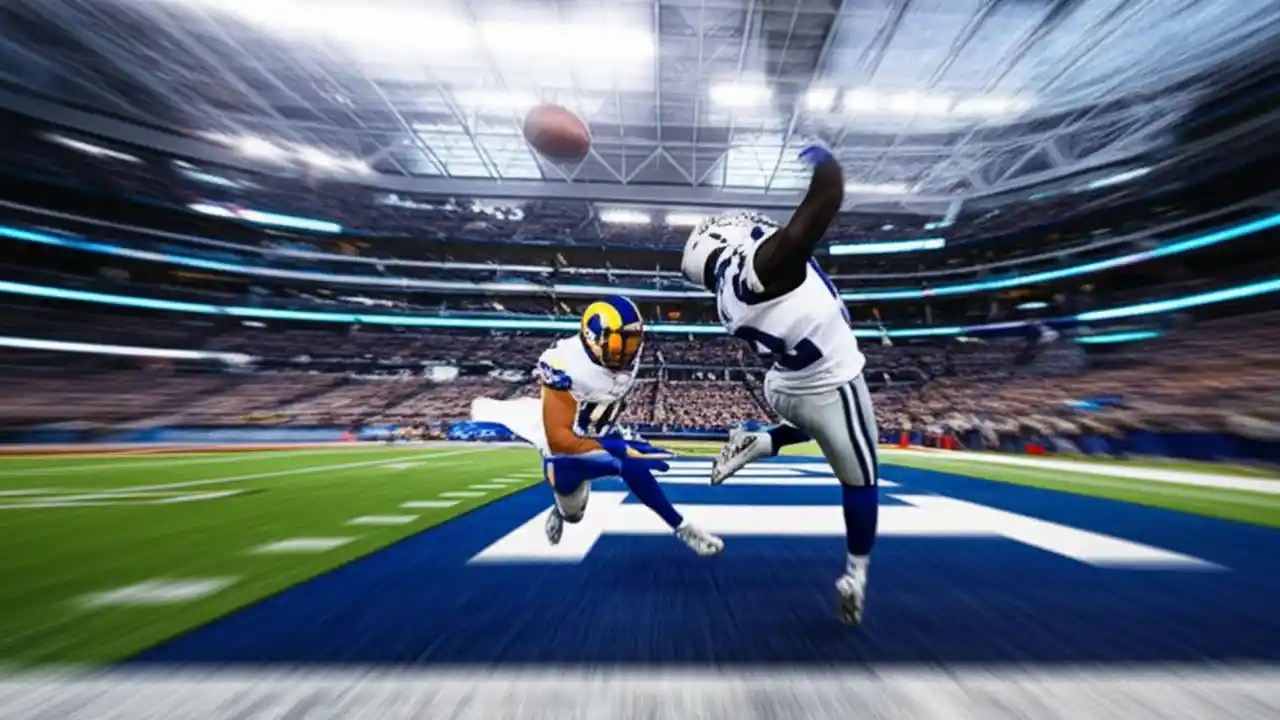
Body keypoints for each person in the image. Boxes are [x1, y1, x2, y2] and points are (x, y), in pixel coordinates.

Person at [678, 146, 878, 625]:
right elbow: (811, 219)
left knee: (817, 428)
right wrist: (828, 167)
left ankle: (761, 439)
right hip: (828, 383)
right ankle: (856, 574)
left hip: (785, 387)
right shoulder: (753, 274)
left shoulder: (727, 298)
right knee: (863, 482)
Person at [472, 295, 723, 557]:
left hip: (600, 431)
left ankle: (682, 527)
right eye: (617, 344)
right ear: (592, 338)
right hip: (564, 449)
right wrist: (620, 449)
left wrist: (620, 445)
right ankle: (560, 510)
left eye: (632, 342)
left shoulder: (625, 354)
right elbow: (560, 440)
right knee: (574, 513)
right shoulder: (564, 363)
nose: (626, 352)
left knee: (631, 465)